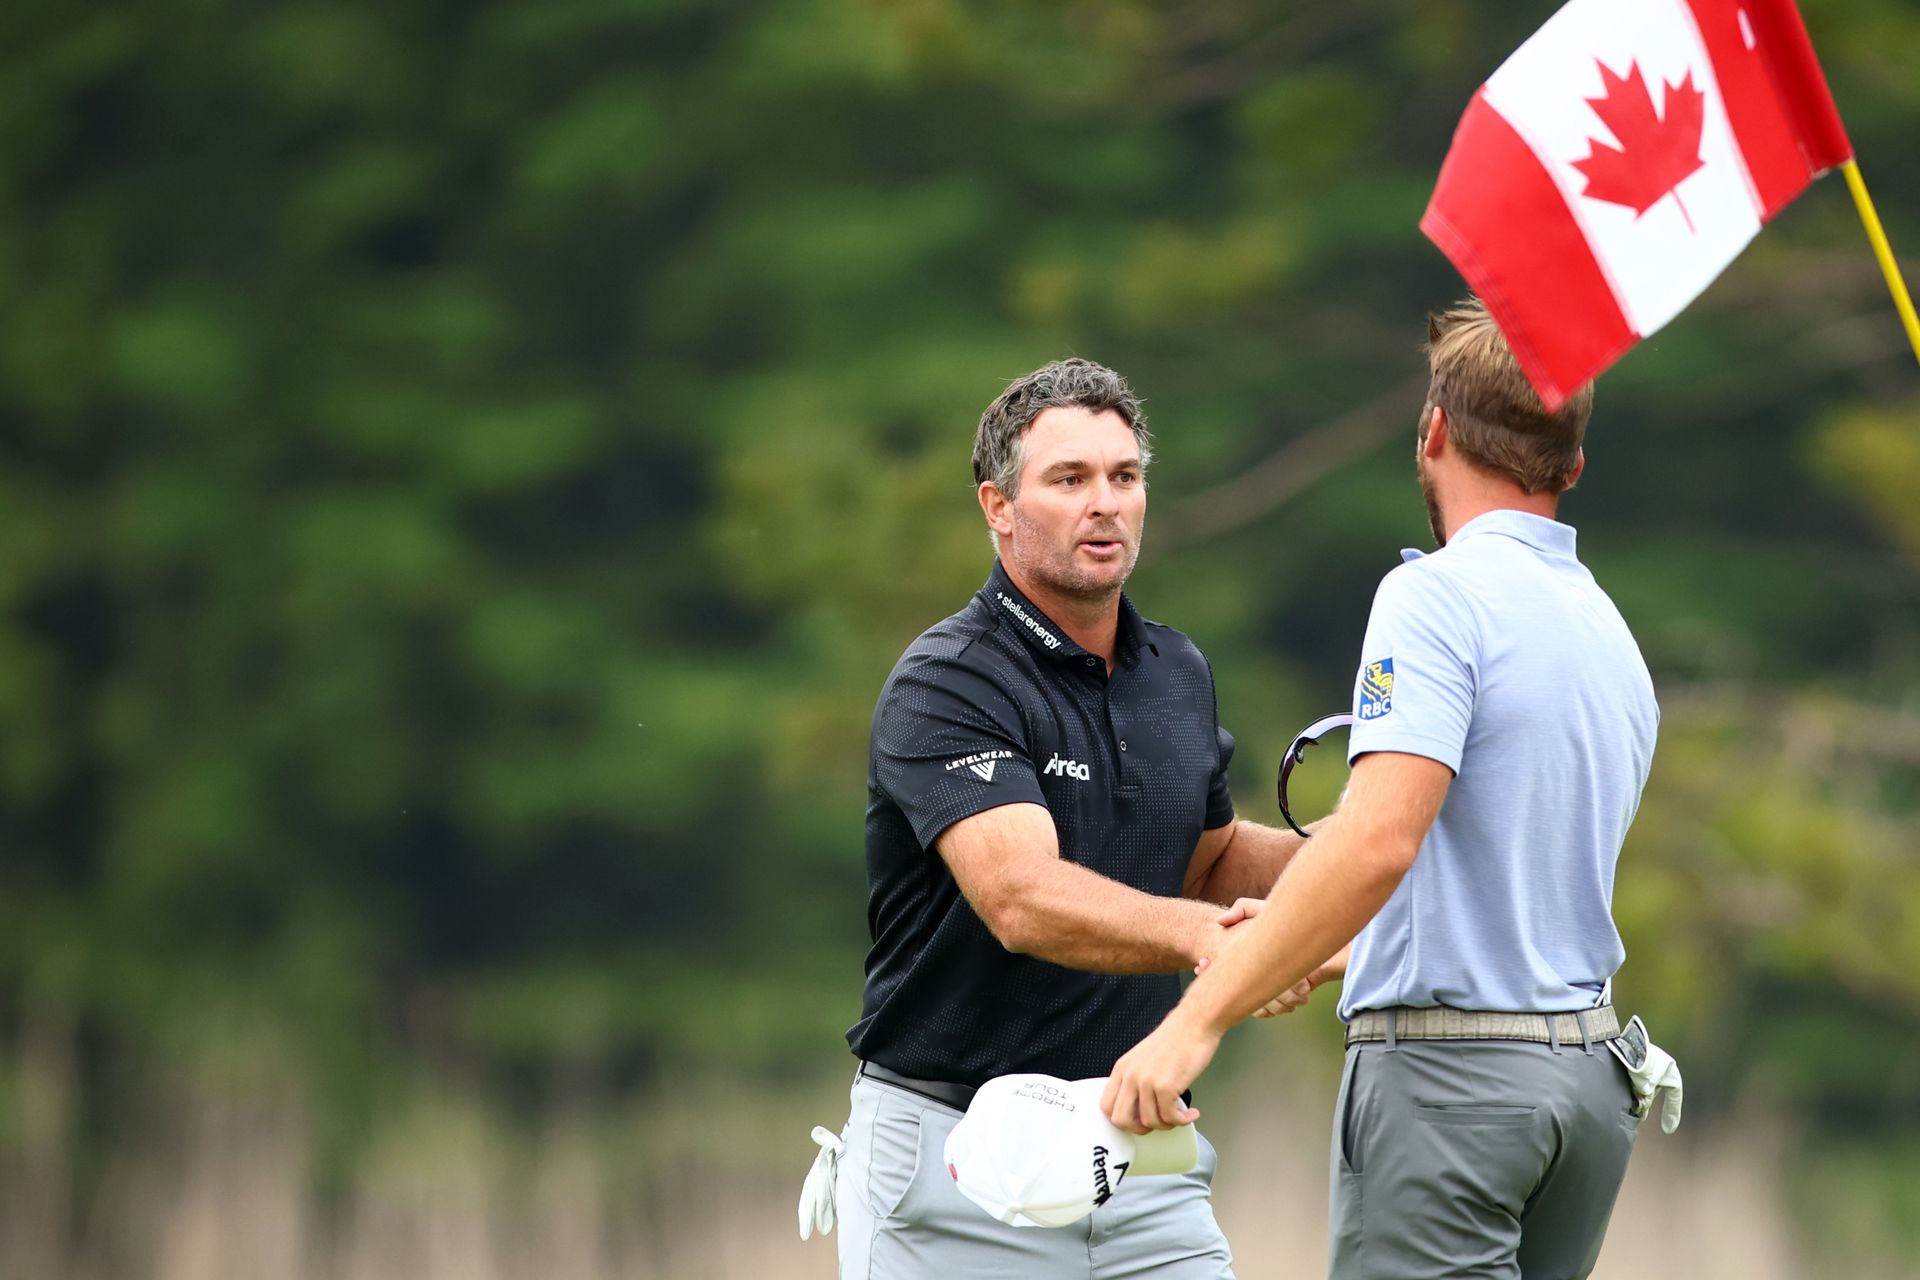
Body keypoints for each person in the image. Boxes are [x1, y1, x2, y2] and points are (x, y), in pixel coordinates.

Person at [1102, 299, 1665, 1280]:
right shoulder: (1606, 627)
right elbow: (1501, 870)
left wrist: (1195, 1021)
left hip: (1453, 1089)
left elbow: (1377, 839)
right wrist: (1324, 952)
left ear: (1435, 429)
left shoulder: (1432, 594)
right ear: (1572, 466)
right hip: (1588, 1083)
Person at [809, 358, 1313, 1278]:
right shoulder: (950, 677)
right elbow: (1020, 898)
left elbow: (1207, 865)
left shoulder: (1177, 672)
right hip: (952, 1172)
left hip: (1145, 1168)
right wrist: (1216, 942)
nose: (1106, 503)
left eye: (1124, 477)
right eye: (1069, 480)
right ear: (998, 506)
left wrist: (1357, 848)